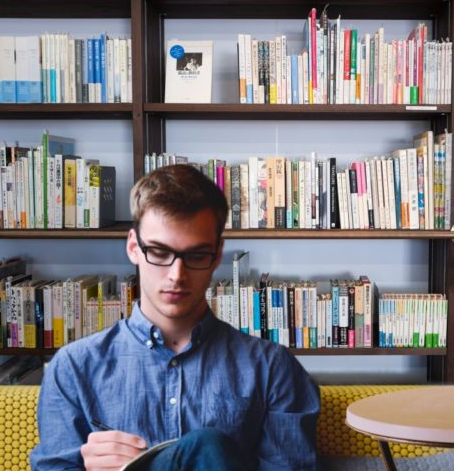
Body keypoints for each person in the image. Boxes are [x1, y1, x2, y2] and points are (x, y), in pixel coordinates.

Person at [30, 164, 320, 471]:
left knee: (209, 446)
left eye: (196, 256)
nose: (176, 275)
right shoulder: (74, 367)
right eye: (158, 252)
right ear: (133, 247)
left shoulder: (272, 368)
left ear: (217, 255)